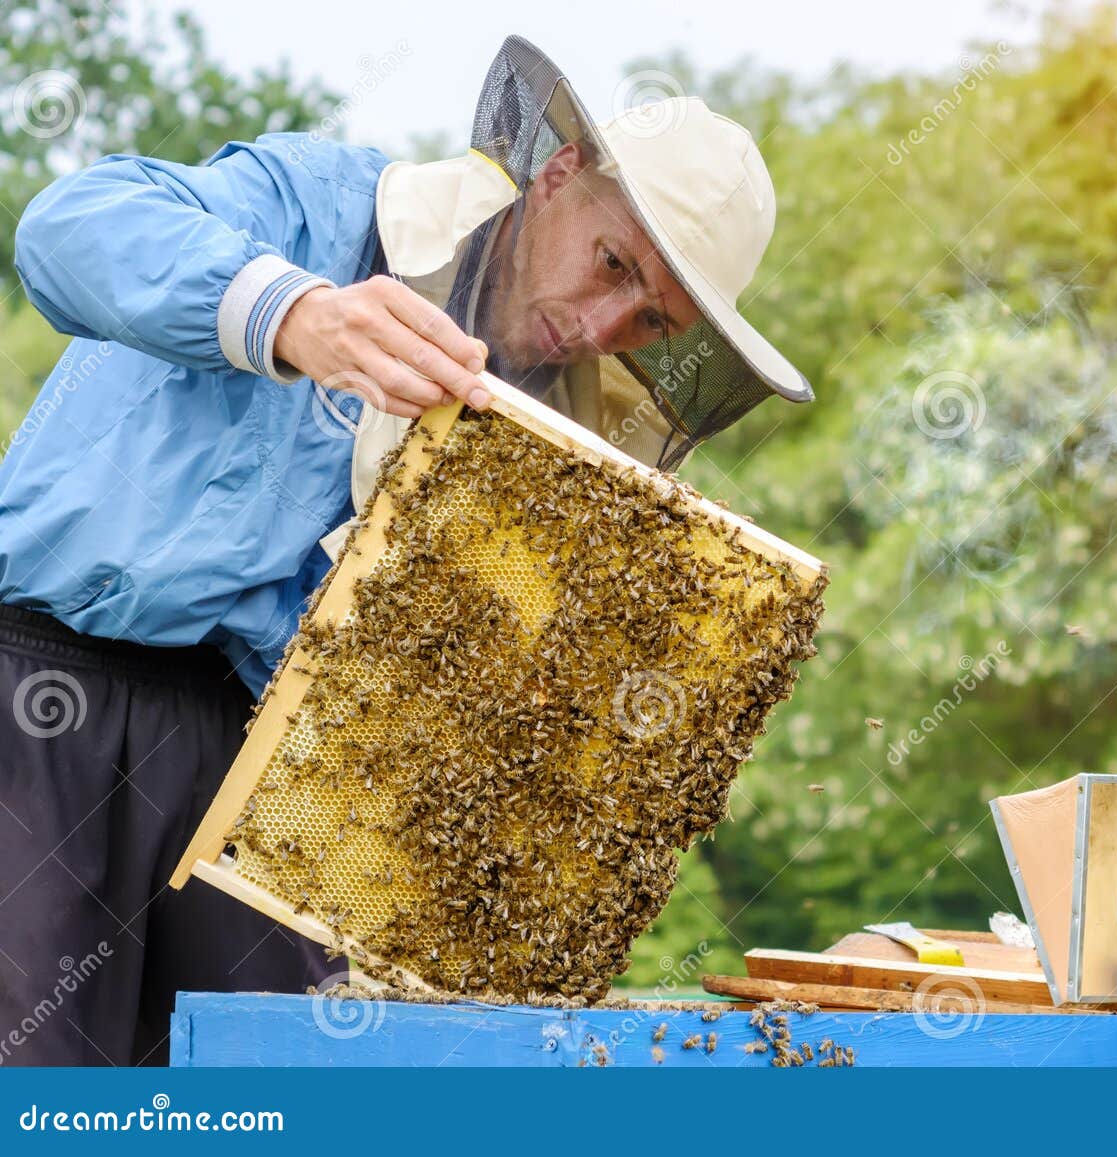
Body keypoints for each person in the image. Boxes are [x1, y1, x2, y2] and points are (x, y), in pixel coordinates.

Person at [0, 37, 811, 1066]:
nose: (600, 323)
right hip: (44, 705)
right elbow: (69, 230)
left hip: (271, 787)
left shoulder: (548, 436)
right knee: (30, 1097)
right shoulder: (317, 202)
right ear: (557, 175)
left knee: (262, 1100)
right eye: (613, 265)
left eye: (648, 318)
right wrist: (293, 313)